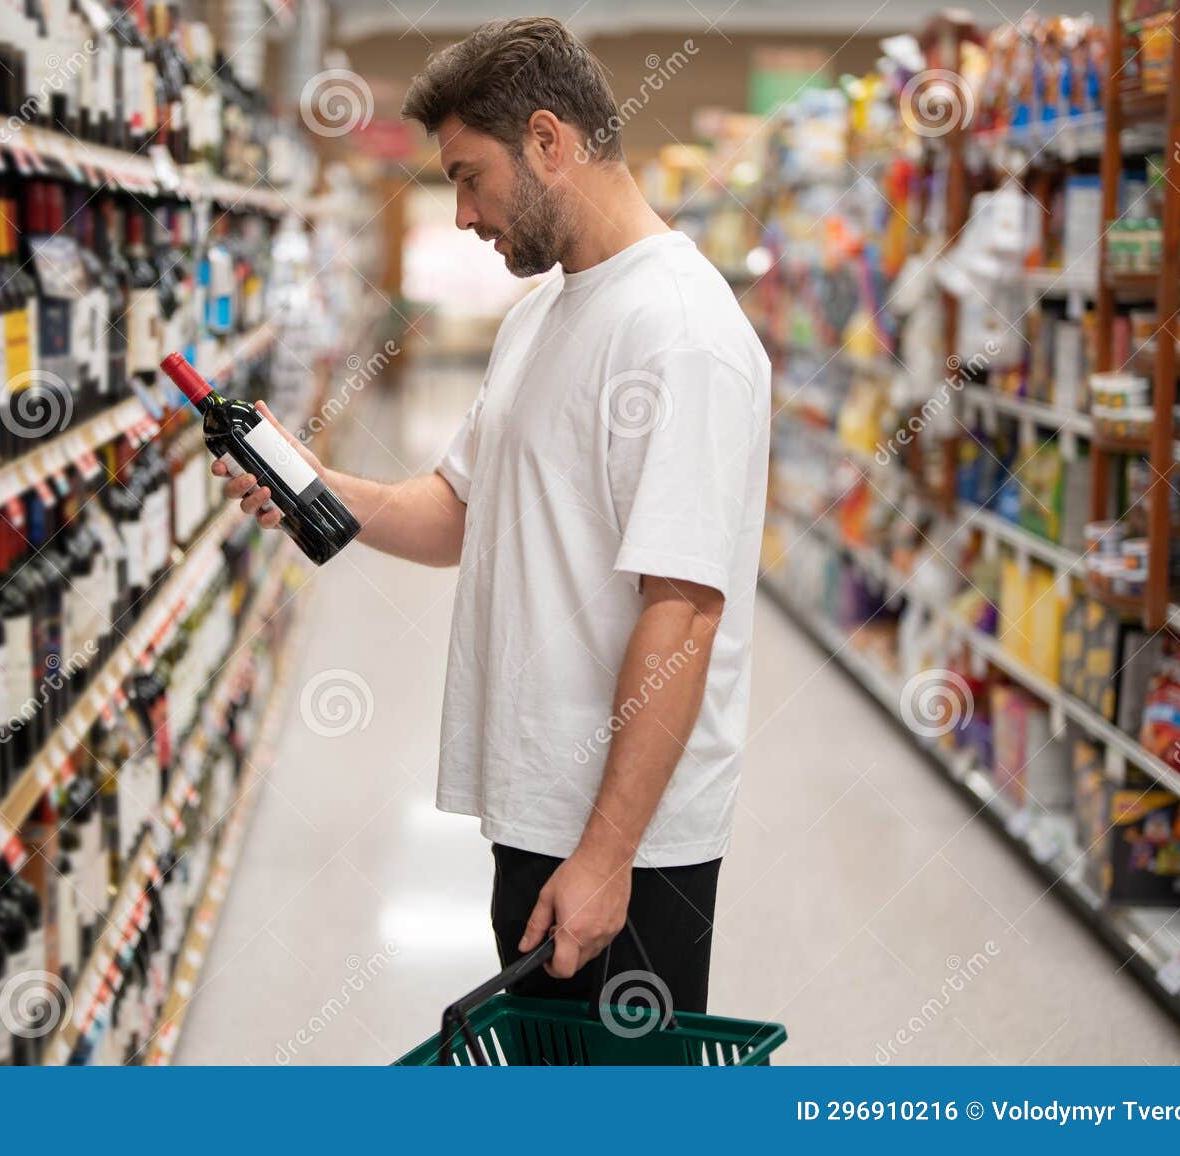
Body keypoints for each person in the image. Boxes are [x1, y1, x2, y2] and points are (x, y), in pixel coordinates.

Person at [218, 16, 770, 1016]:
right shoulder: (542, 315)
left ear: (549, 141)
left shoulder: (680, 330)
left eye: (470, 177)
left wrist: (607, 855)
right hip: (537, 808)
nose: (465, 213)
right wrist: (313, 482)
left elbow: (684, 613)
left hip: (629, 842)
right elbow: (459, 512)